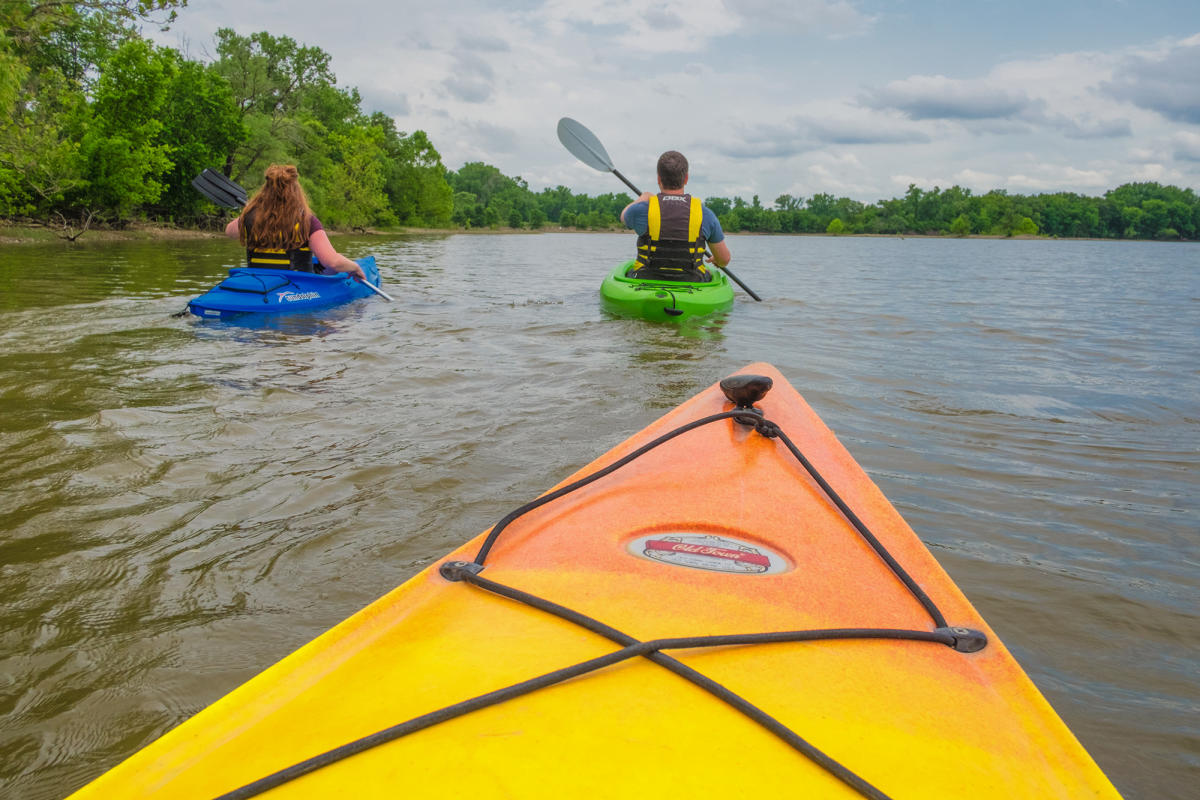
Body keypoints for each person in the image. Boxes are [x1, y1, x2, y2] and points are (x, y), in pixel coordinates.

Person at [224, 164, 365, 280]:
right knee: (332, 267)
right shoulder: (307, 221)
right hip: (295, 285)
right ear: (296, 192)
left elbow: (230, 232)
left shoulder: (250, 217)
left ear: (265, 192)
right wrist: (356, 267)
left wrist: (250, 210)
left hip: (258, 281)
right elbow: (333, 262)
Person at [619, 150, 731, 282]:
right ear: (686, 179)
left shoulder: (641, 210)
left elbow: (623, 216)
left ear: (659, 179)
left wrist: (643, 198)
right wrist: (717, 259)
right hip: (693, 281)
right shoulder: (705, 214)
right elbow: (724, 259)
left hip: (646, 278)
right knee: (707, 273)